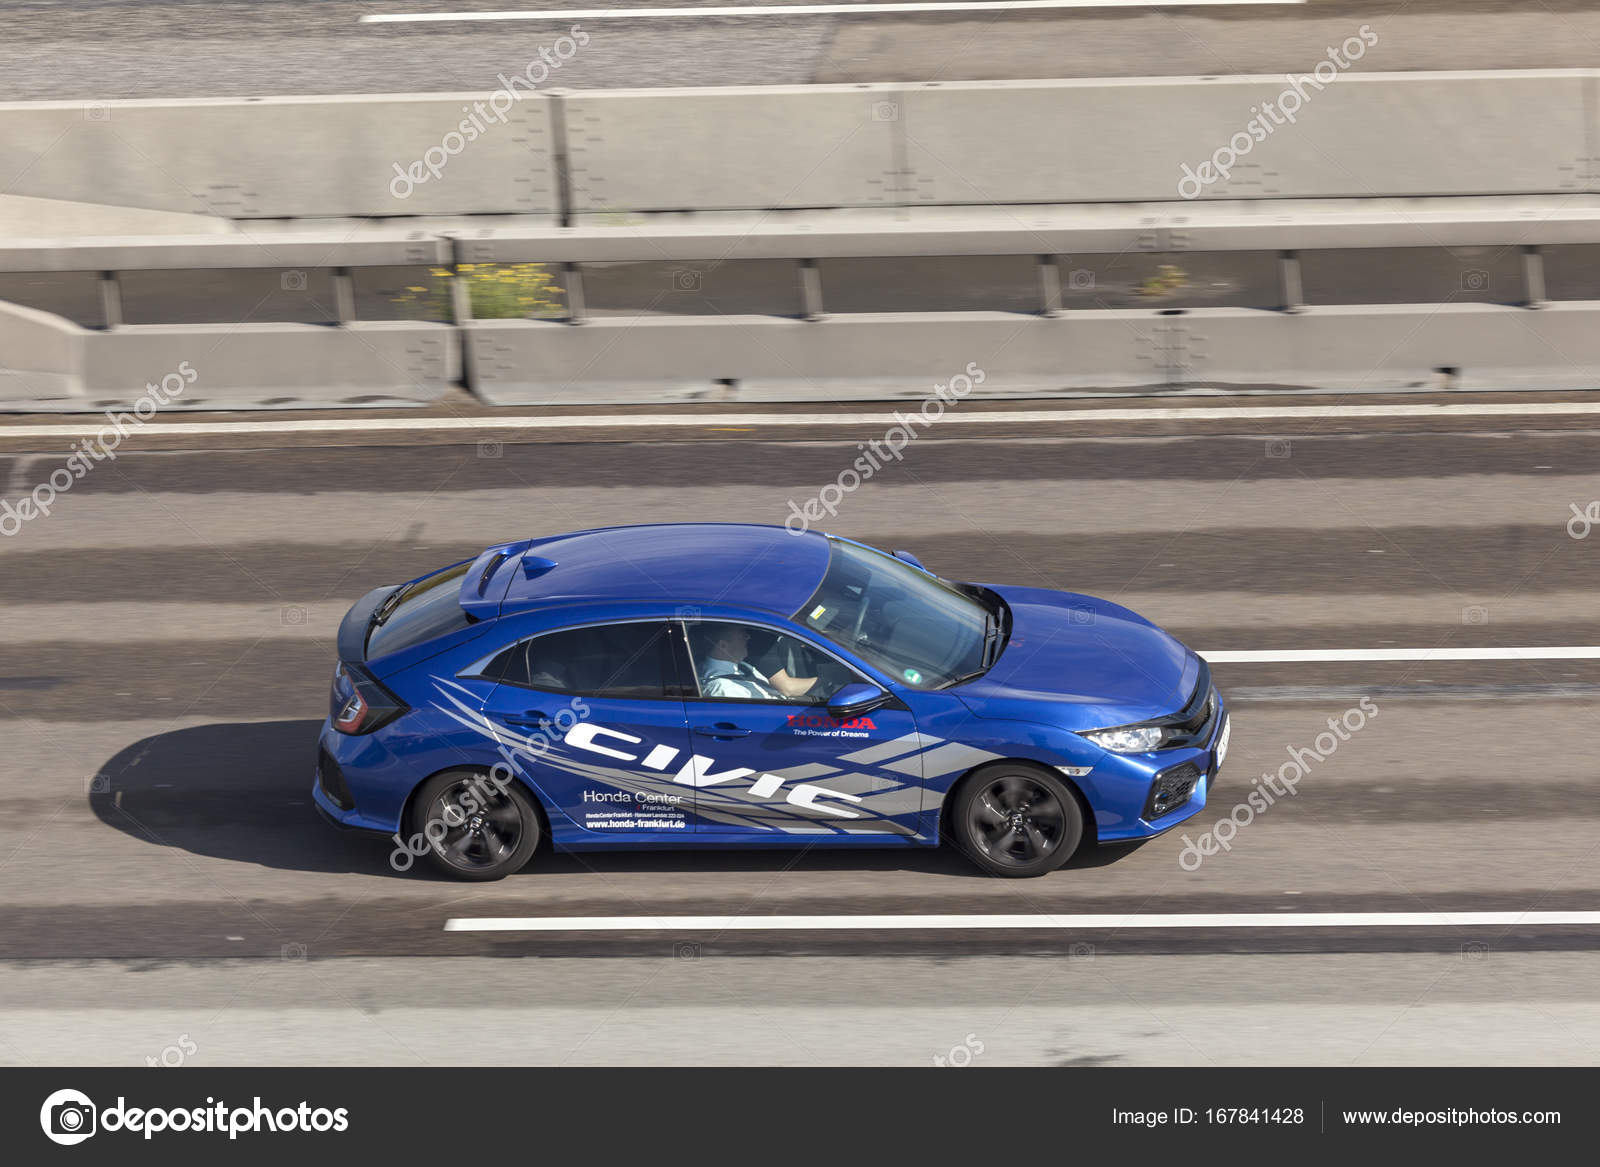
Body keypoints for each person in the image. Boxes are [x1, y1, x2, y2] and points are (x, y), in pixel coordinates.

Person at [699, 624, 816, 700]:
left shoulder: (743, 667)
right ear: (723, 645)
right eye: (742, 635)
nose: (748, 637)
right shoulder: (723, 688)